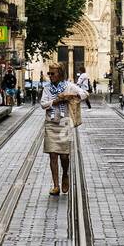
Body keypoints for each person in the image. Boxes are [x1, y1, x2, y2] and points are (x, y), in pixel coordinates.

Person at [41, 62, 80, 196]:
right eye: (49, 73)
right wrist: (54, 102)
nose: (50, 76)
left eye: (53, 73)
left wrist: (70, 96)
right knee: (53, 154)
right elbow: (43, 104)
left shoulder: (69, 86)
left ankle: (65, 174)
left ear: (60, 74)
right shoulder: (46, 89)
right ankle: (56, 185)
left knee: (64, 156)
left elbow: (84, 94)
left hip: (64, 123)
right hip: (51, 123)